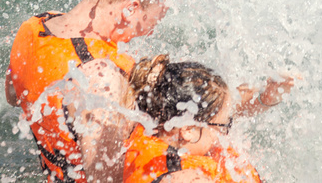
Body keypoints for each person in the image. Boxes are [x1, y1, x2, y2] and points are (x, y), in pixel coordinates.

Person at [6, 0, 174, 183]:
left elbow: (13, 95)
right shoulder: (101, 79)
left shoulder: (35, 26)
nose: (151, 30)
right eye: (154, 19)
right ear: (130, 9)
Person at [123, 55, 294, 183]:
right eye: (223, 127)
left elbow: (230, 108)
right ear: (188, 129)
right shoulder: (187, 179)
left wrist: (267, 96)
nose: (224, 135)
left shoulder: (148, 126)